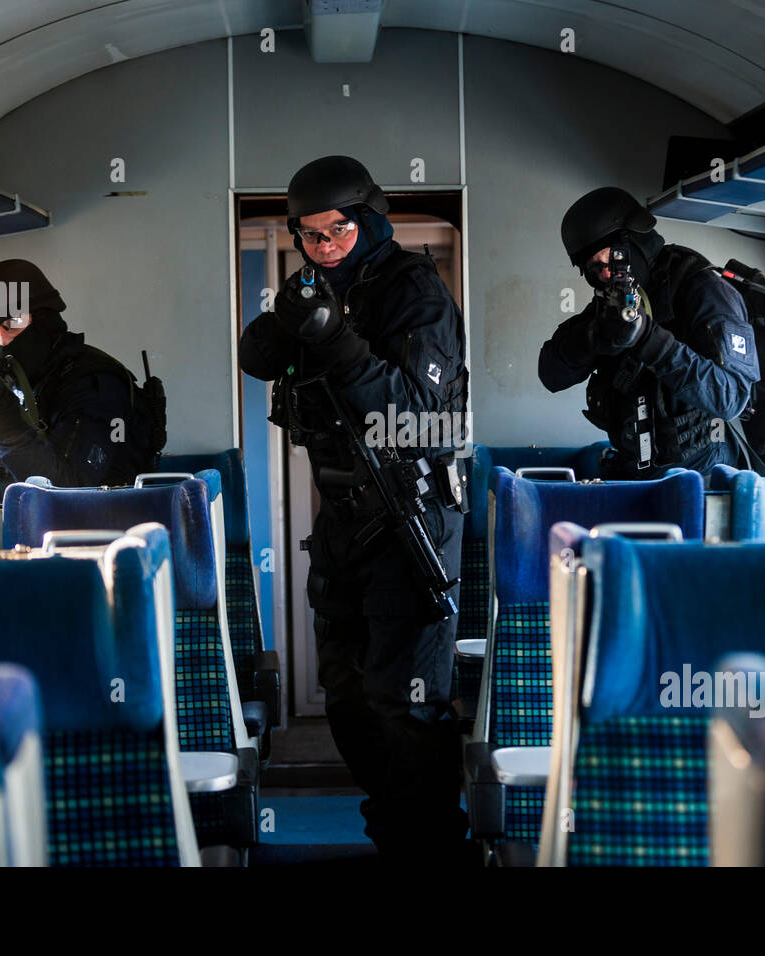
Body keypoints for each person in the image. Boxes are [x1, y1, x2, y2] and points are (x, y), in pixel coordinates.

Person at [238, 155, 470, 864]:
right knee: (345, 695)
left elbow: (416, 417)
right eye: (308, 234)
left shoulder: (414, 290)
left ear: (367, 222)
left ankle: (429, 849)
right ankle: (392, 831)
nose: (323, 245)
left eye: (336, 229)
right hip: (340, 519)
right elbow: (257, 355)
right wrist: (292, 317)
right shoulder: (308, 285)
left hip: (411, 516)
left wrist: (337, 340)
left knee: (405, 702)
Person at [538, 186, 760, 478]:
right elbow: (550, 373)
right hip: (639, 474)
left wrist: (650, 340)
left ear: (634, 243)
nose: (604, 275)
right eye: (593, 269)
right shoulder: (614, 301)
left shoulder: (703, 289)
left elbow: (730, 397)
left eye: (610, 261)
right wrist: (594, 337)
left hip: (701, 477)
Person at [0, 259, 159, 486]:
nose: (2, 341)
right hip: (19, 513)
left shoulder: (95, 382)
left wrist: (7, 422)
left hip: (99, 519)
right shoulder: (8, 375)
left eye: (12, 323)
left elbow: (66, 486)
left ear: (45, 318)